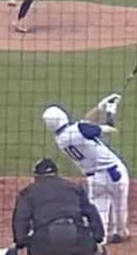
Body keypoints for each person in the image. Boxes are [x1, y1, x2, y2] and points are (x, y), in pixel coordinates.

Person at [41, 94, 130, 243]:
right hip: (114, 173)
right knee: (119, 205)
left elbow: (85, 123)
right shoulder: (78, 130)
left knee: (99, 210)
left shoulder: (61, 138)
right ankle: (120, 232)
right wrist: (110, 111)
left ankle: (99, 240)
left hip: (94, 179)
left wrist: (100, 106)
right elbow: (110, 128)